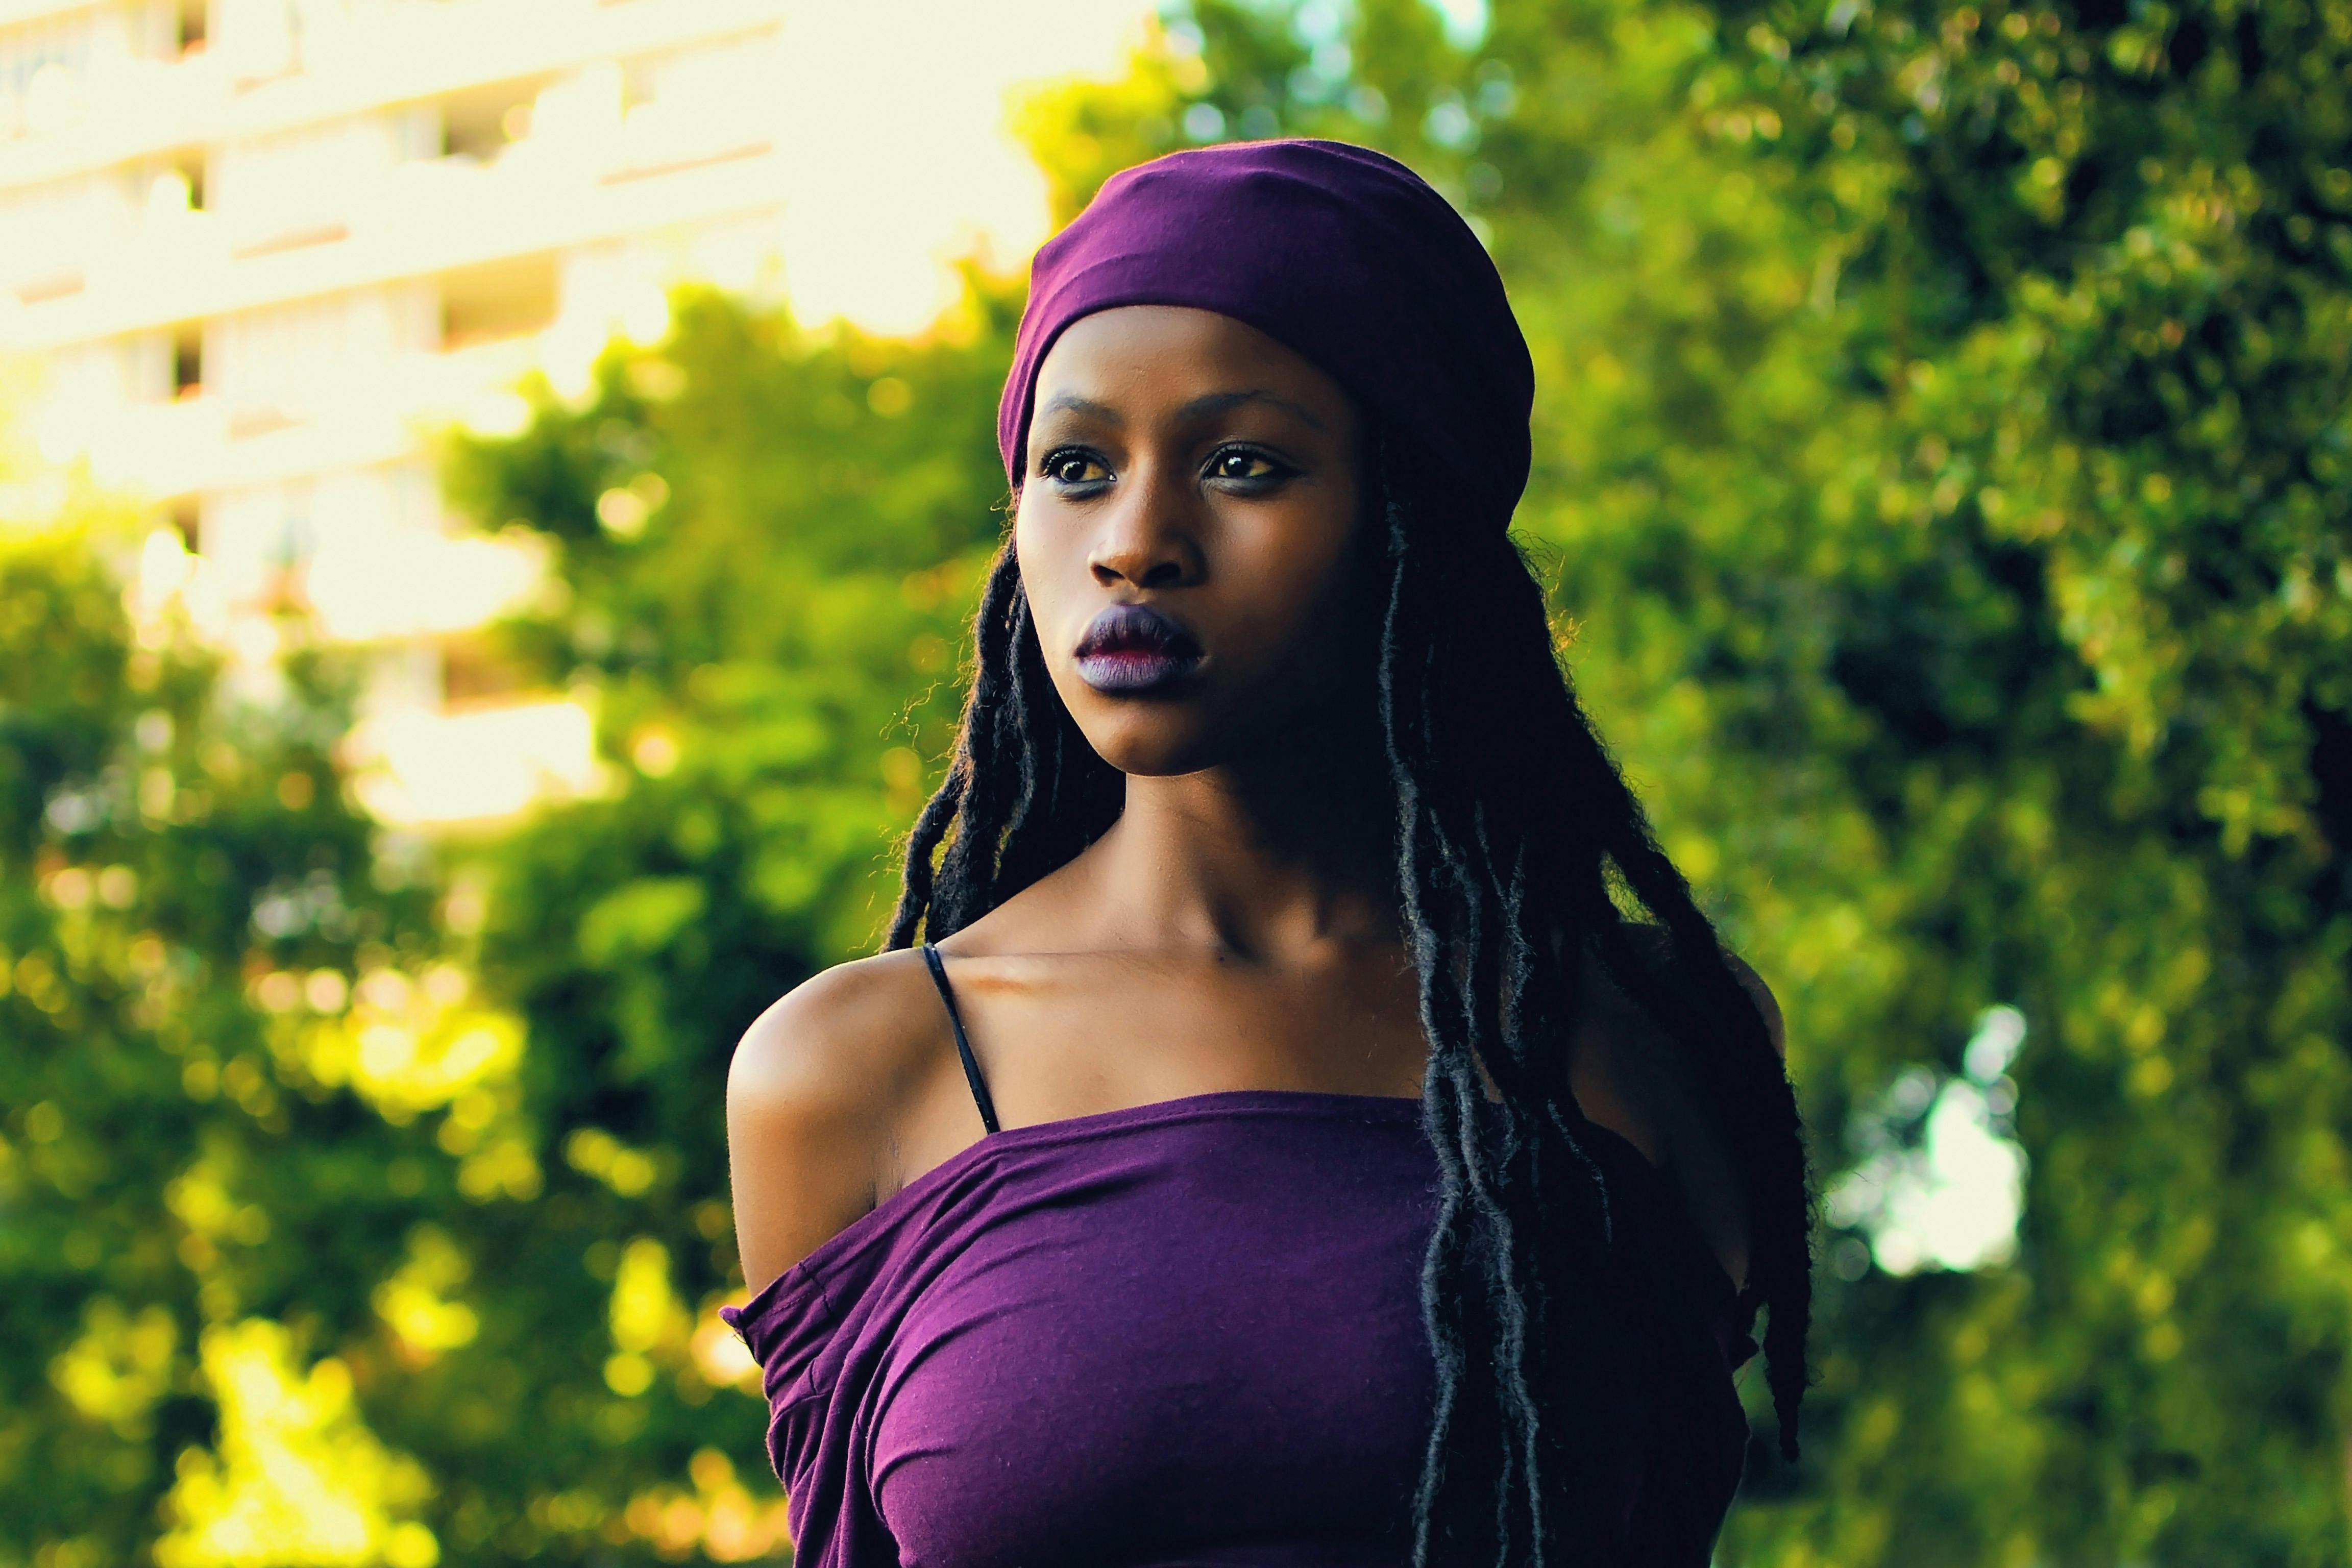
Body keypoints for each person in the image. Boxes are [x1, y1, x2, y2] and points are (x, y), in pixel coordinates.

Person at [723, 139, 1809, 1568]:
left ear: (1408, 519)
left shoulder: (1643, 1036)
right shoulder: (857, 1071)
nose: (1135, 542)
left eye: (1243, 465)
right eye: (1075, 467)